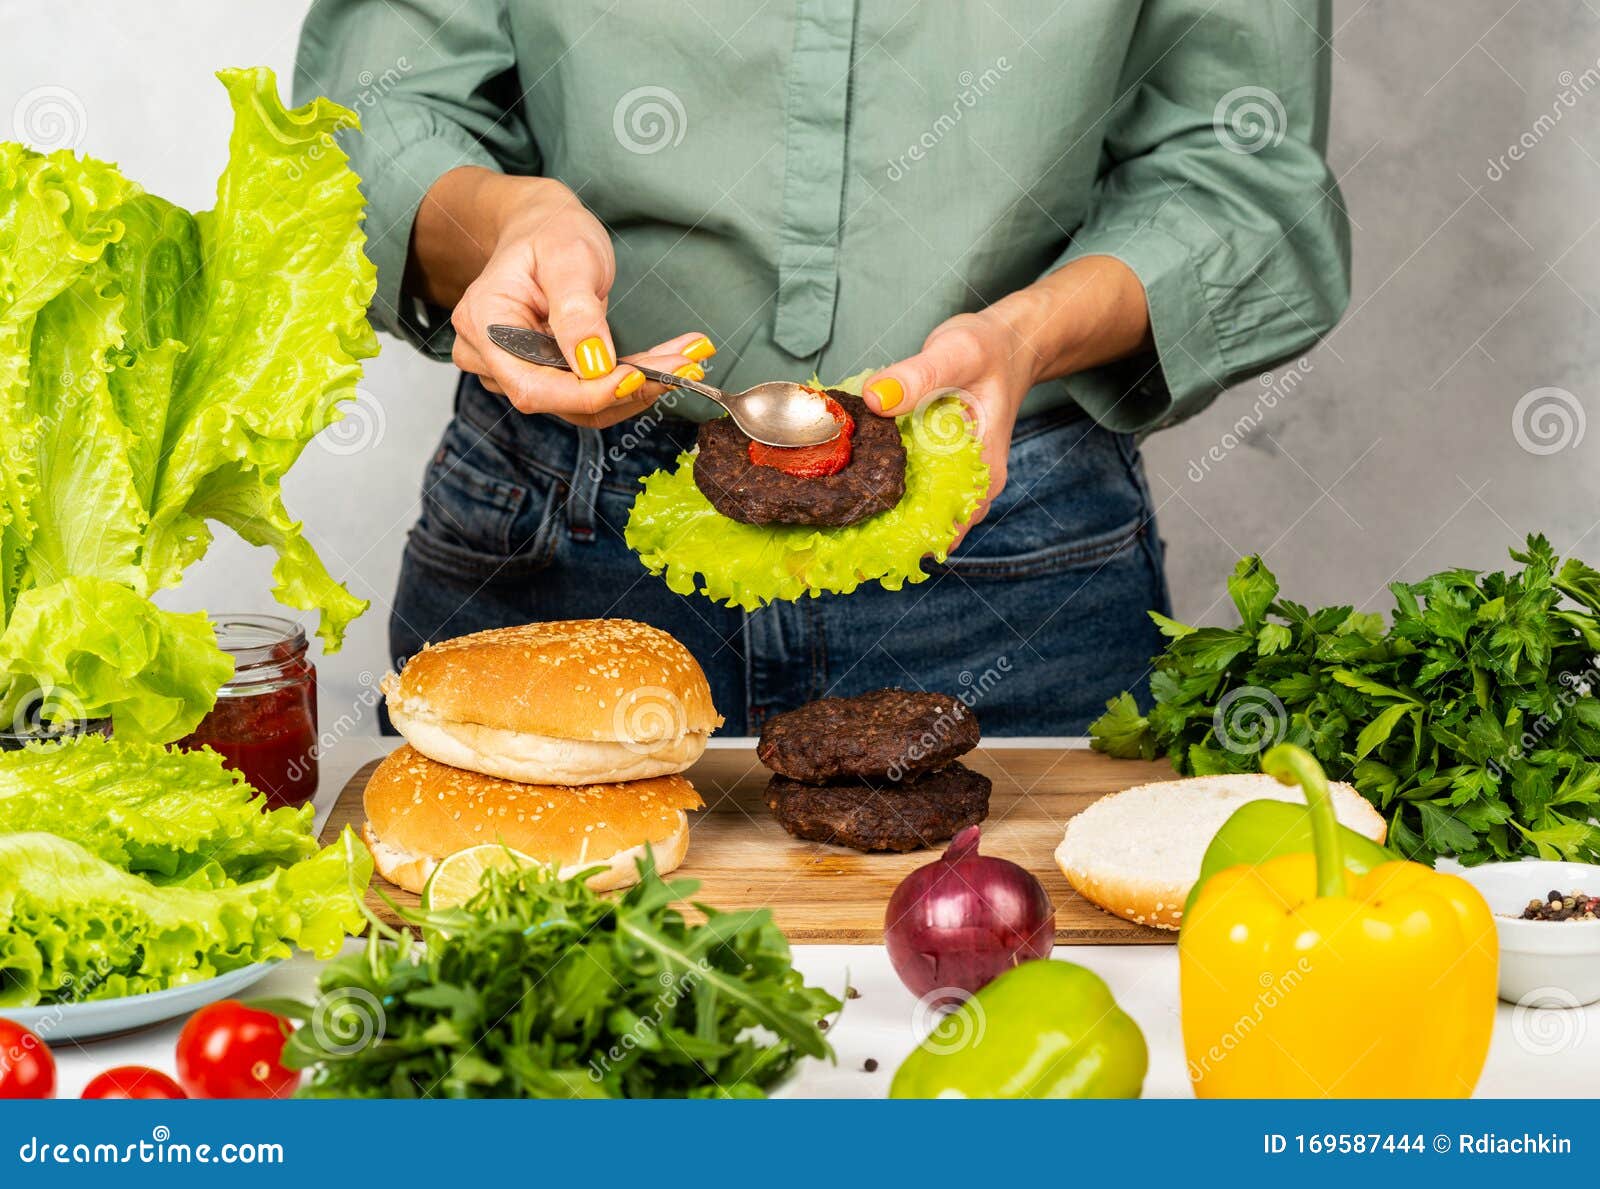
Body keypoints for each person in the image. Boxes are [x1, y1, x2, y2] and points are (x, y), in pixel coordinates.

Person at [295, 1, 1350, 734]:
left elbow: (1239, 171)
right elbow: (369, 120)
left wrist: (1028, 333)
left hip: (1006, 544)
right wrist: (511, 220)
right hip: (552, 531)